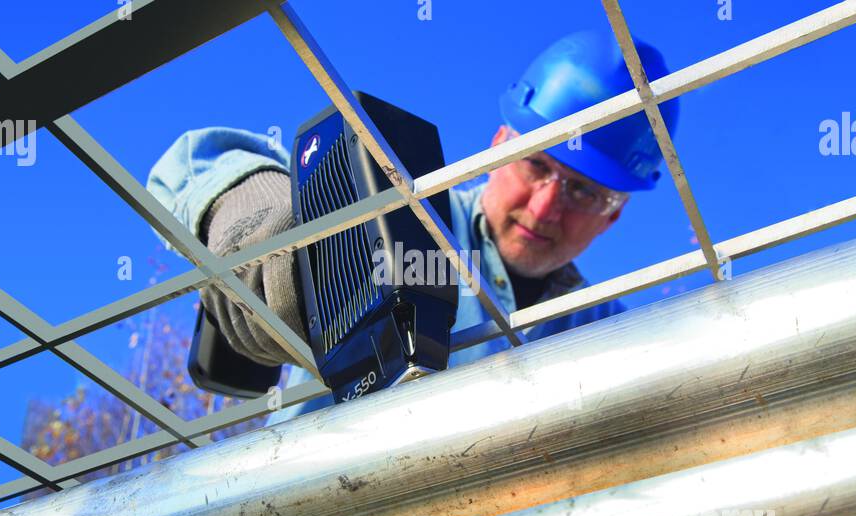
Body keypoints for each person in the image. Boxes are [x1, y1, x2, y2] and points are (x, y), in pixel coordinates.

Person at [145, 31, 680, 426]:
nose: (544, 209)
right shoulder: (411, 212)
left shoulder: (609, 332)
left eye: (584, 191)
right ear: (499, 145)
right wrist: (256, 218)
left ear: (614, 214)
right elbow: (193, 161)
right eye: (537, 164)